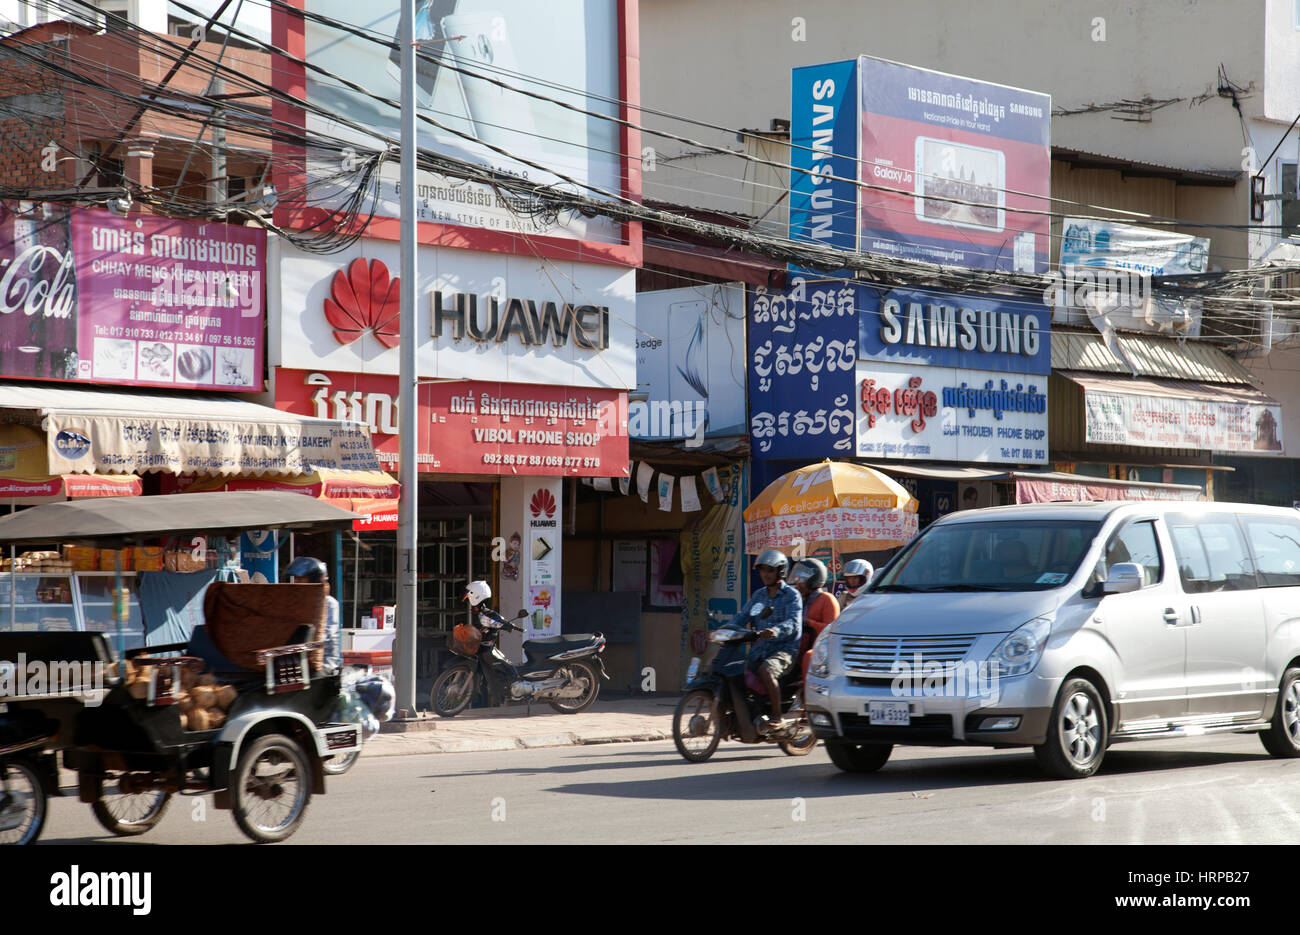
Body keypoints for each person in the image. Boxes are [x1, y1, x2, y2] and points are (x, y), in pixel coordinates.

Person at [726, 548, 801, 734]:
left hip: (784, 650)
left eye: (770, 570)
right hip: (759, 649)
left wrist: (775, 631)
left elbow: (793, 622)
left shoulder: (792, 595)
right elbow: (743, 616)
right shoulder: (759, 595)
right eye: (762, 570)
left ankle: (777, 716)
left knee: (766, 670)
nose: (765, 574)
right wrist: (725, 629)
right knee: (733, 672)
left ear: (780, 572)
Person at [286, 556, 341, 671]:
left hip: (324, 662)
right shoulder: (295, 601)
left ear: (314, 580)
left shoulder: (329, 603)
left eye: (301, 580)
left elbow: (324, 634)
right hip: (297, 659)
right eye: (295, 579)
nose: (297, 583)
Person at [790, 559, 839, 685]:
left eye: (802, 579)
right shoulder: (798, 599)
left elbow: (831, 631)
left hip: (821, 650)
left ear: (813, 579)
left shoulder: (827, 599)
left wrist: (809, 622)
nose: (798, 583)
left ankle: (808, 699)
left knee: (808, 657)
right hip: (797, 645)